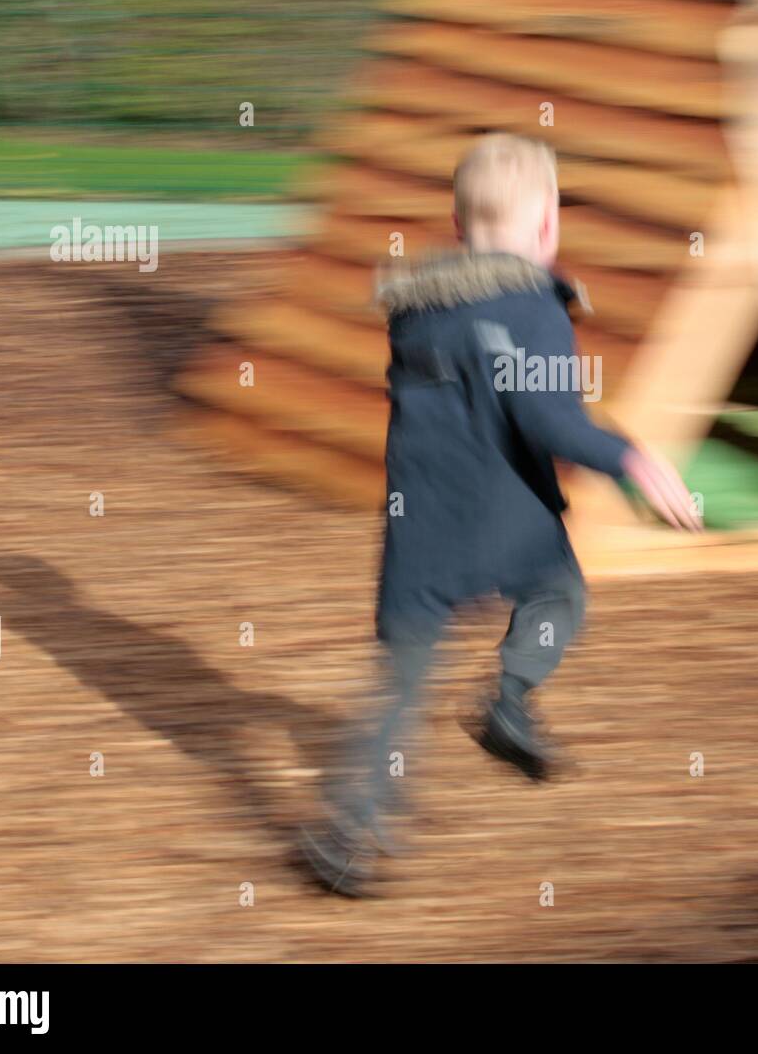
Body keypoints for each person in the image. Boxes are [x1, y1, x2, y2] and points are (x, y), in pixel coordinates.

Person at [300, 133, 700, 894]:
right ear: (547, 228)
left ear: (457, 229)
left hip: (417, 526)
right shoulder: (534, 307)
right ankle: (508, 701)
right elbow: (550, 423)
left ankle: (348, 831)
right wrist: (633, 460)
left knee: (403, 682)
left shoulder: (417, 311)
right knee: (559, 596)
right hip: (505, 519)